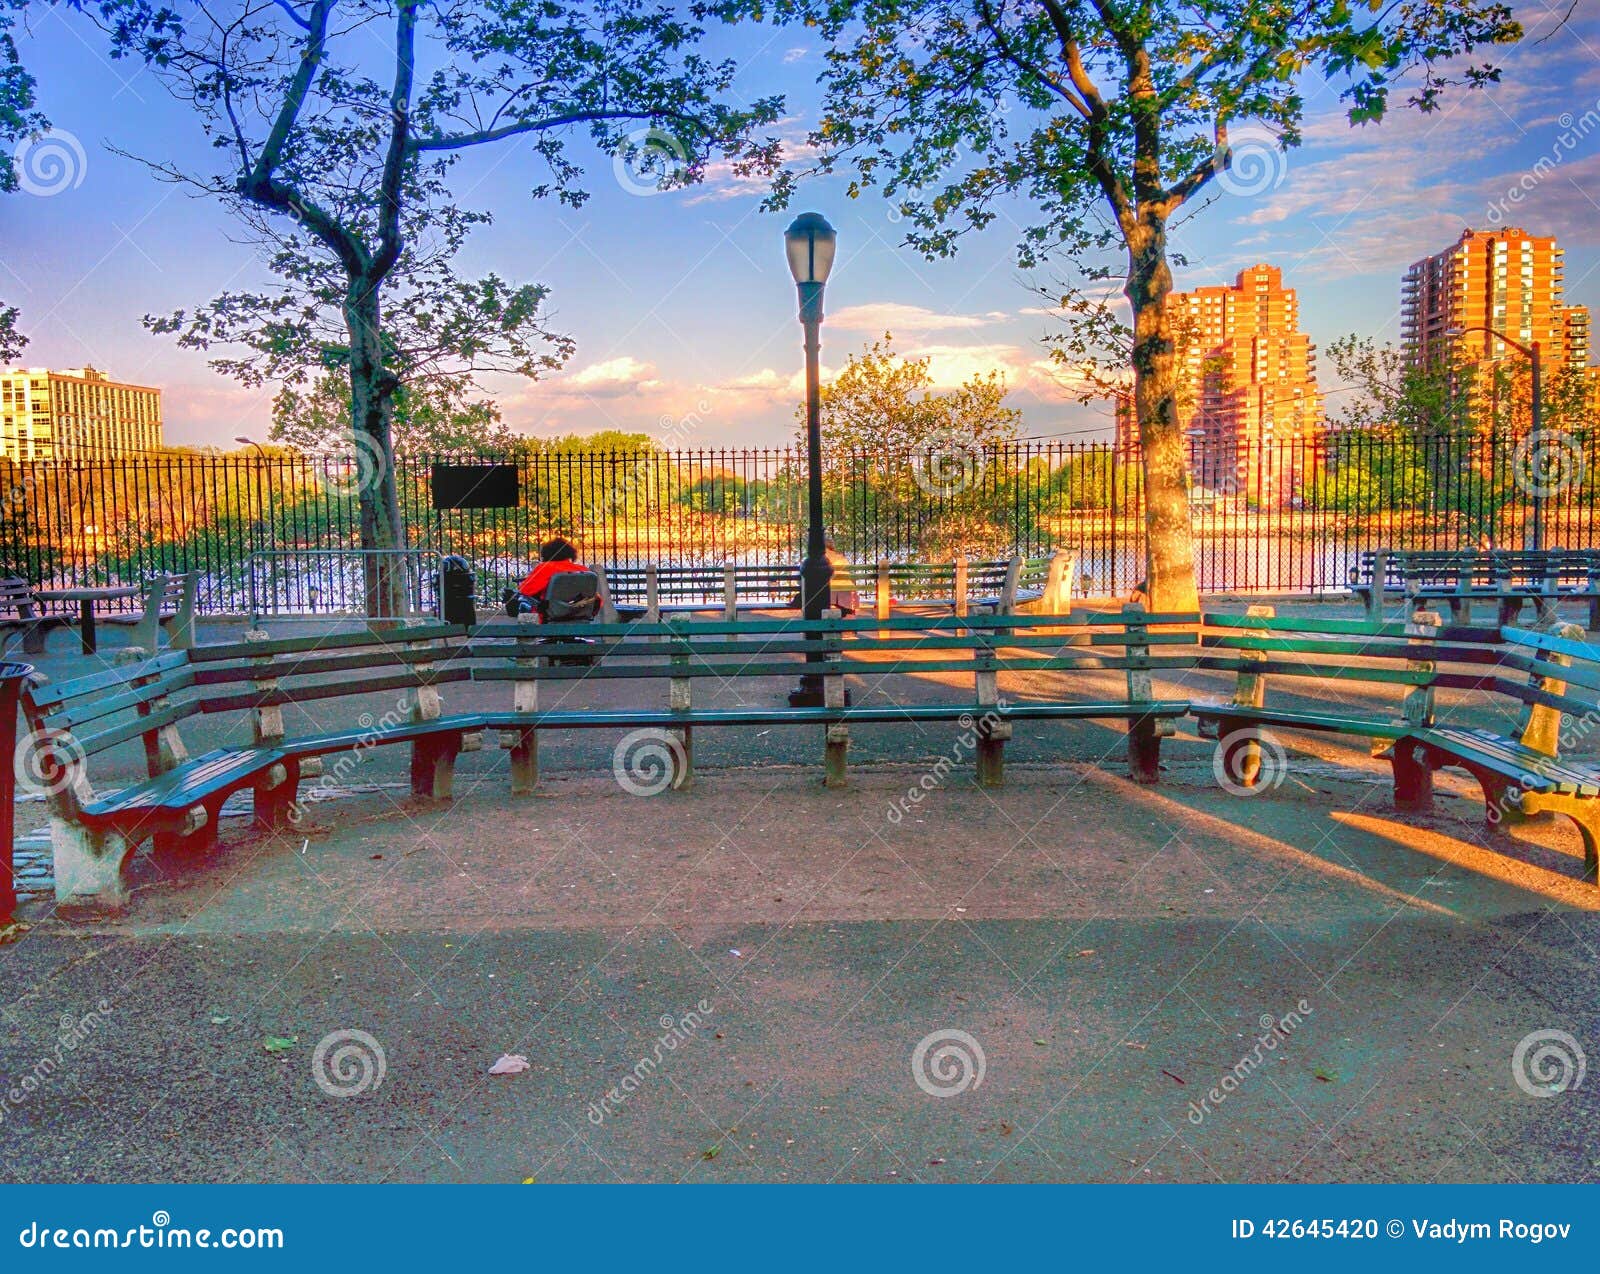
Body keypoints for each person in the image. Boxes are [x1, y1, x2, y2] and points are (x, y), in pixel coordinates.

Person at [503, 536, 591, 619]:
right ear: (571, 553)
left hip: (549, 615)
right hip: (581, 613)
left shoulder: (545, 568)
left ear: (546, 554)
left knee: (523, 600)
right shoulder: (584, 570)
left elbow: (525, 591)